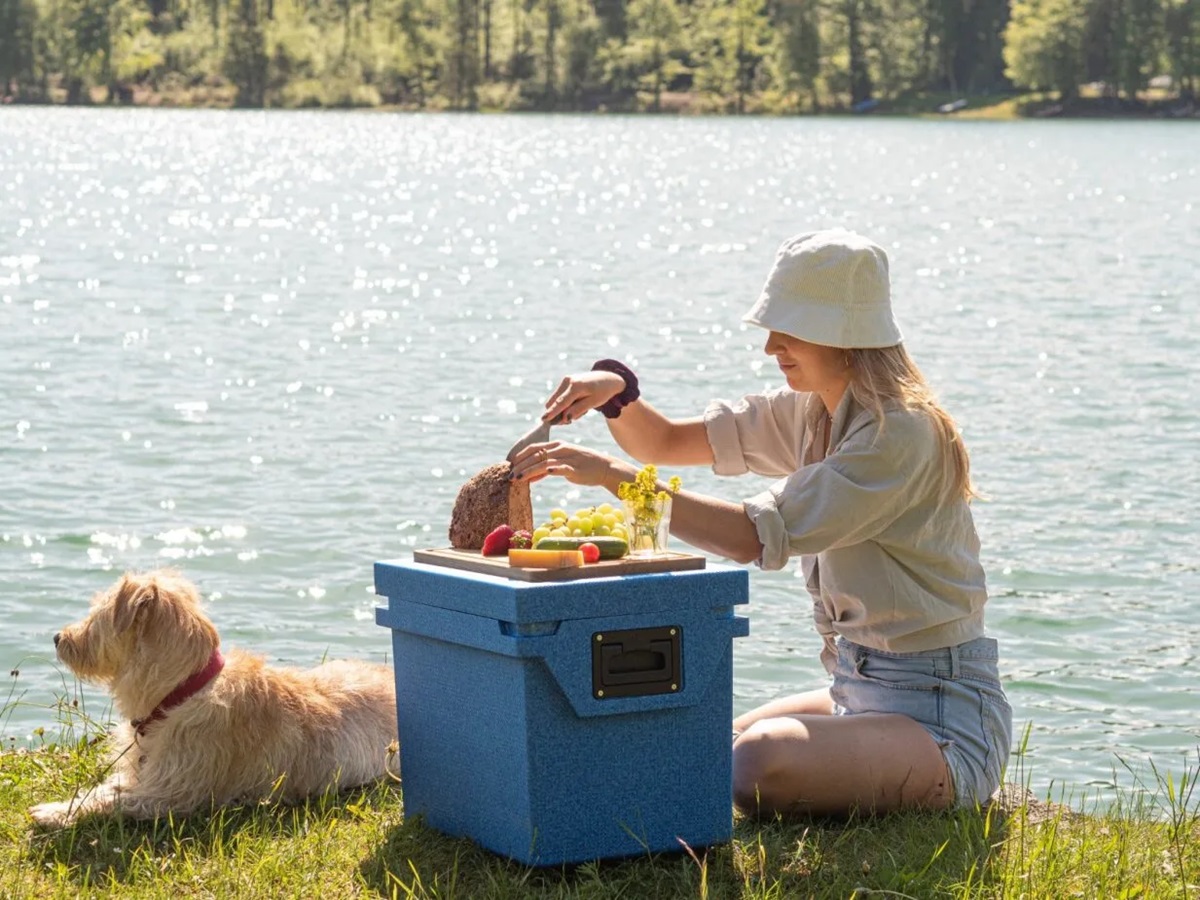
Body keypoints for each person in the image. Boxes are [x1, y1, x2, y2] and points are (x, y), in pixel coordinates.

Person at [509, 228, 1012, 818]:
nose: (772, 343)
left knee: (753, 765)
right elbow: (666, 440)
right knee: (702, 746)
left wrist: (613, 477)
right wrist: (614, 391)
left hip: (942, 717)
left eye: (790, 327)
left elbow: (752, 536)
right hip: (855, 688)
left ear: (848, 336)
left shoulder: (899, 434)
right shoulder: (810, 412)